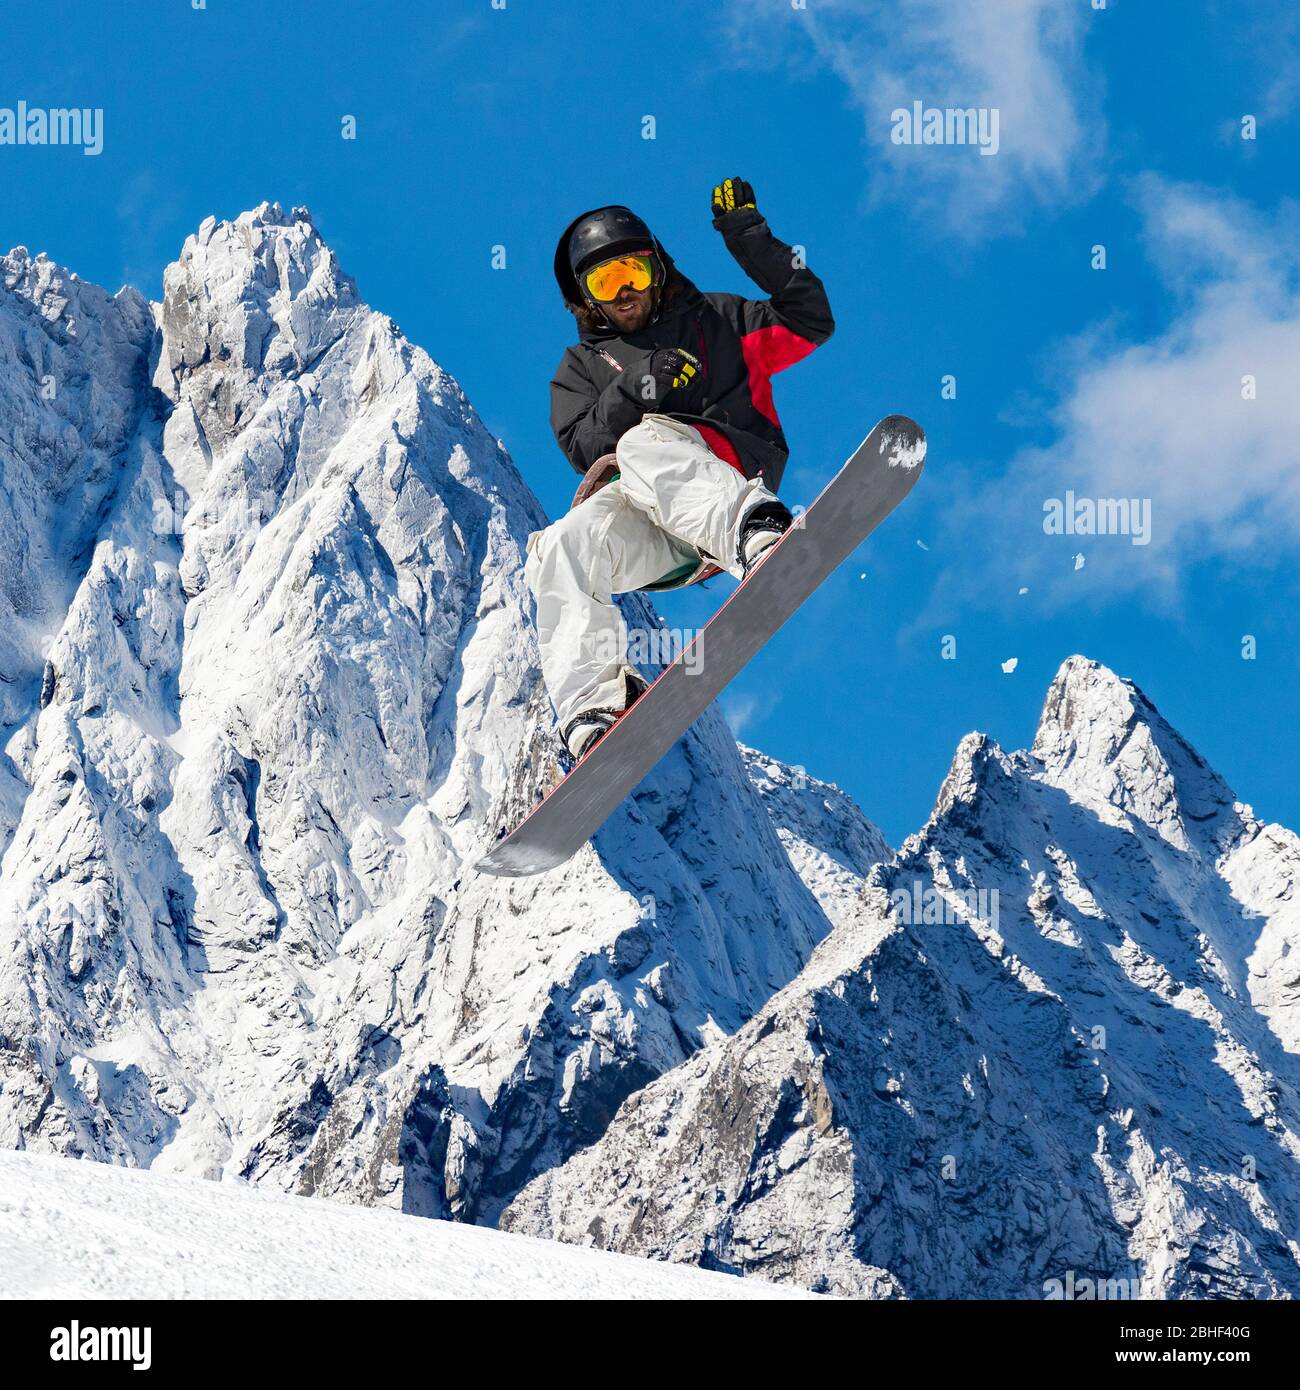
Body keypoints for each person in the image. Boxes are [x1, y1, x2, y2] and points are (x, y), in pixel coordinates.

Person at [526, 177, 834, 761]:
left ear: (658, 269)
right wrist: (637, 386)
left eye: (632, 273)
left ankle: (756, 533)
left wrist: (748, 237)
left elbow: (809, 321)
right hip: (661, 527)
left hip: (733, 478)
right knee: (556, 546)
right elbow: (582, 446)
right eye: (604, 281)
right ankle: (597, 704)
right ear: (585, 298)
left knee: (646, 442)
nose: (623, 293)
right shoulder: (579, 368)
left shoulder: (718, 321)